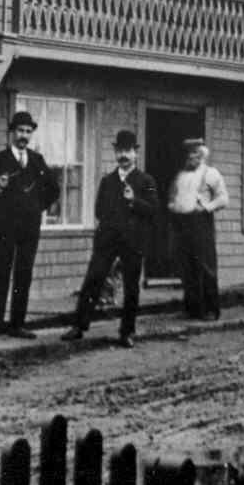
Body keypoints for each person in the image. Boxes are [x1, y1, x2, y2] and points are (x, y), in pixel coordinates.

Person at [64, 130, 160, 347]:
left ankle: (127, 332)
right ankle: (79, 326)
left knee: (131, 286)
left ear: (135, 153)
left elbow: (154, 210)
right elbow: (98, 210)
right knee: (93, 279)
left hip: (133, 242)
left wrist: (134, 201)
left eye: (127, 151)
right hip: (107, 239)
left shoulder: (146, 180)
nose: (123, 155)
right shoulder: (107, 181)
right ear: (115, 153)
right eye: (119, 151)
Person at [0, 110, 59, 341]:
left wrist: (36, 207)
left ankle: (17, 324)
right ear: (12, 132)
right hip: (2, 228)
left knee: (23, 275)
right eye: (20, 131)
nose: (24, 135)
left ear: (31, 134)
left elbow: (54, 190)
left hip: (28, 229)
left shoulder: (37, 161)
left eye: (28, 131)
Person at [167, 137, 229, 321]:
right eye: (188, 153)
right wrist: (172, 206)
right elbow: (172, 197)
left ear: (202, 155)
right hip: (182, 223)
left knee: (206, 266)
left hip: (201, 222)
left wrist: (207, 207)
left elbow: (223, 198)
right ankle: (192, 308)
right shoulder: (180, 175)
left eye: (195, 153)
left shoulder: (211, 174)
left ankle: (211, 309)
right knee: (187, 266)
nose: (191, 156)